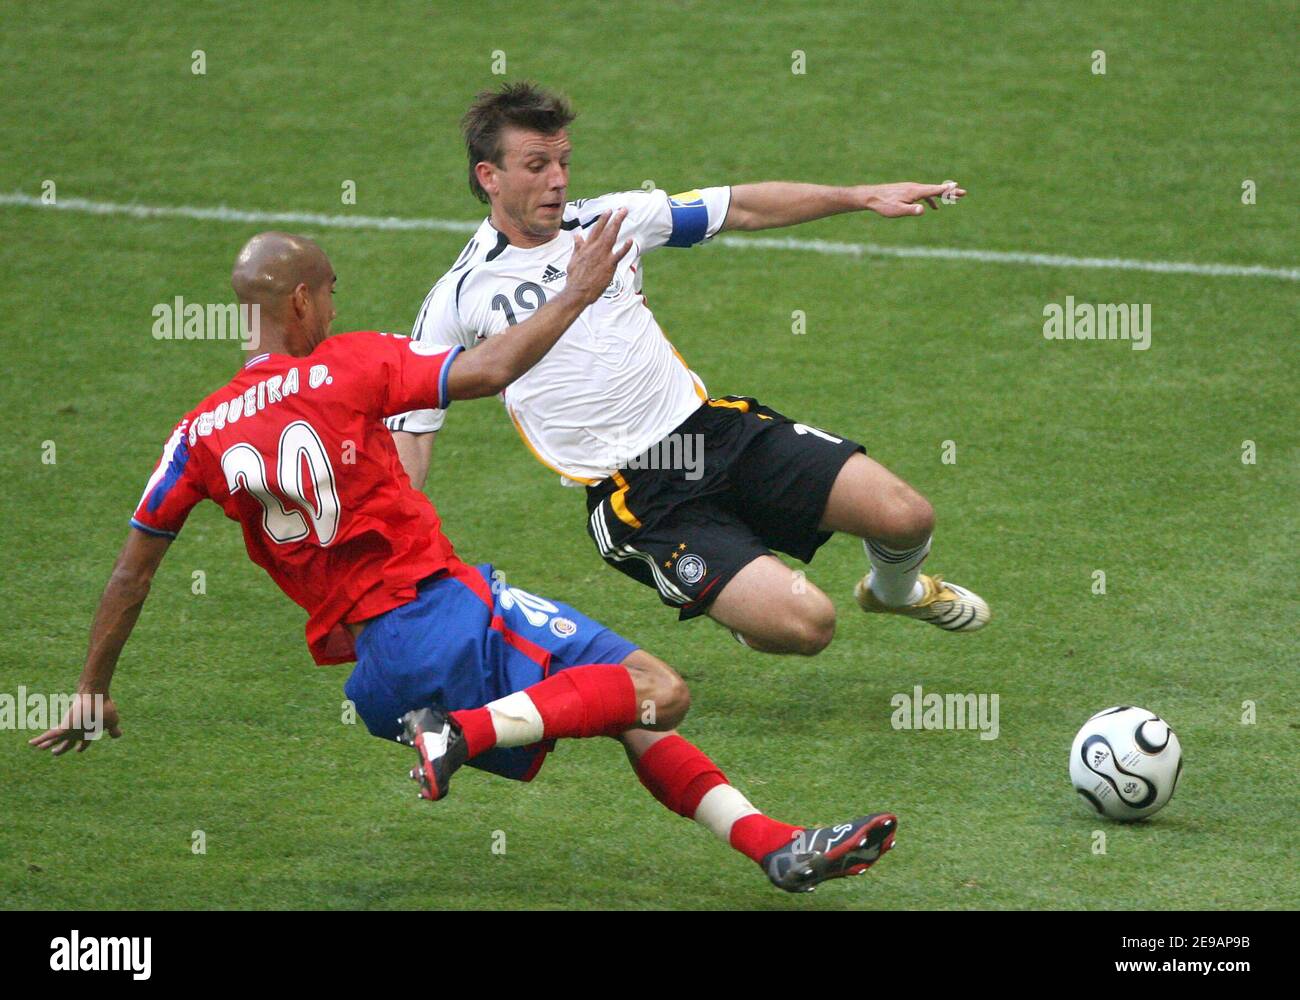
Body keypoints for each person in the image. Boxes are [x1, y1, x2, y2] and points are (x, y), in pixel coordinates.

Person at [30, 225, 896, 893]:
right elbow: (486, 371)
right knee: (658, 688)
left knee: (626, 710)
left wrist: (92, 688)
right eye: (328, 293)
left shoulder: (197, 434)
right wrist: (578, 292)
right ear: (298, 301)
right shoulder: (349, 364)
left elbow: (130, 573)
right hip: (440, 612)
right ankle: (459, 733)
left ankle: (775, 847)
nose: (333, 306)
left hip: (378, 674)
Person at [389, 81, 990, 655]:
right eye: (537, 165)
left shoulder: (611, 220)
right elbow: (414, 428)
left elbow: (741, 207)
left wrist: (859, 196)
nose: (559, 181)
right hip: (638, 492)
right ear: (488, 176)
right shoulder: (459, 296)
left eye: (564, 162)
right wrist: (392, 545)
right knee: (809, 625)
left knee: (907, 517)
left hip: (712, 432)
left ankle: (896, 593)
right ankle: (738, 605)